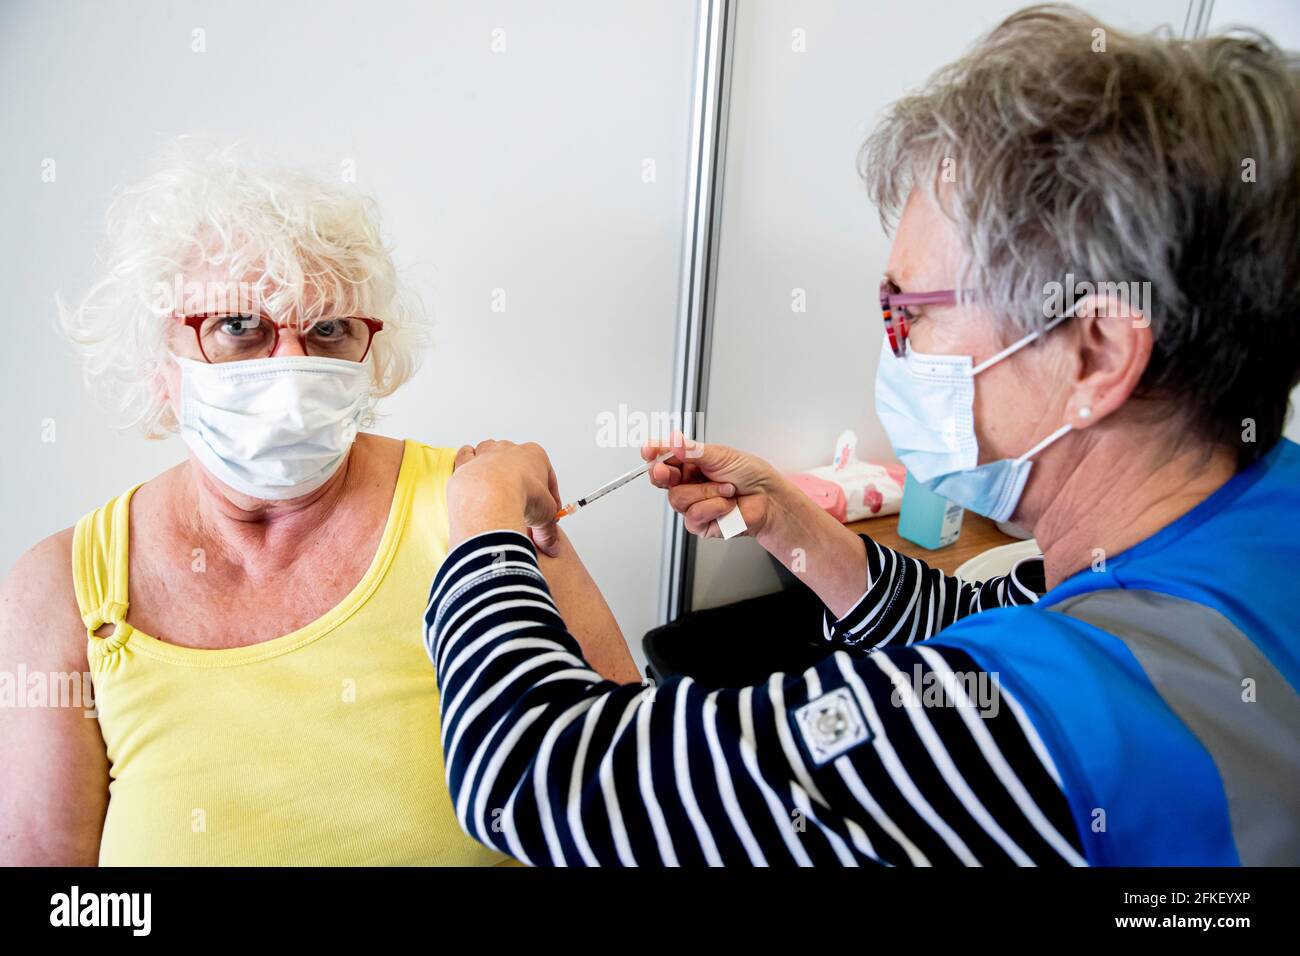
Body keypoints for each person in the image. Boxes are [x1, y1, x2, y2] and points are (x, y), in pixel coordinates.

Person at [423, 7, 1300, 865]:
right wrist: (793, 528)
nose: (892, 347)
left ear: (1097, 351)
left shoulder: (1053, 727)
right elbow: (1010, 623)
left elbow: (541, 779)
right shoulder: (1258, 515)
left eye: (907, 312)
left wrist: (487, 521)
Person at [0, 143, 638, 866]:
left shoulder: (479, 511)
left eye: (328, 329)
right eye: (238, 327)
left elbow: (631, 803)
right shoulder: (61, 589)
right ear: (157, 359)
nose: (289, 368)